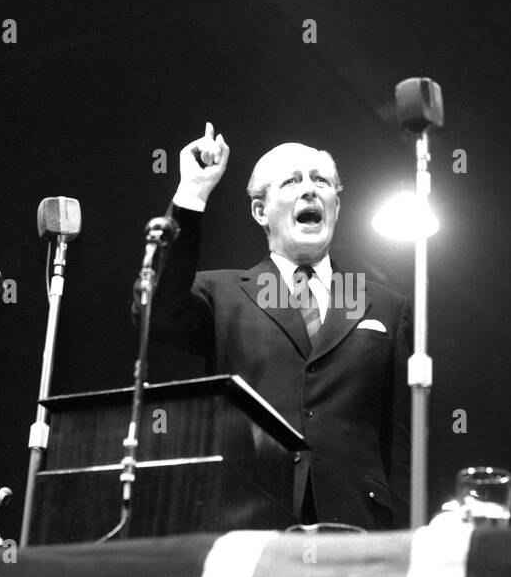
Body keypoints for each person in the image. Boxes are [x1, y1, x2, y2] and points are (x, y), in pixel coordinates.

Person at [143, 122, 411, 530]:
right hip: (247, 511)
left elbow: (399, 438)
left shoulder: (386, 305)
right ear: (260, 211)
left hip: (358, 523)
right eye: (291, 182)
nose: (310, 190)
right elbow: (156, 312)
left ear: (337, 205)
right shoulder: (223, 292)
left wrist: (405, 538)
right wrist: (192, 193)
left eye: (322, 181)